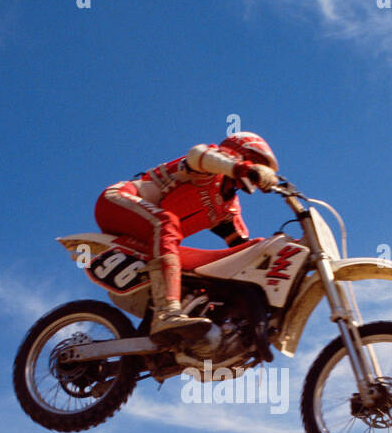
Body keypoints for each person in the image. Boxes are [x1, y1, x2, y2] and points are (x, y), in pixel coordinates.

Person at [93, 132, 280, 341]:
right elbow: (196, 155)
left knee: (244, 255)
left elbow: (243, 252)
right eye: (258, 163)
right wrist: (241, 168)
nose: (259, 171)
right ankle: (167, 312)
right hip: (117, 201)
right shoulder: (208, 169)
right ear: (239, 153)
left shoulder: (228, 208)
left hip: (150, 241)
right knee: (166, 222)